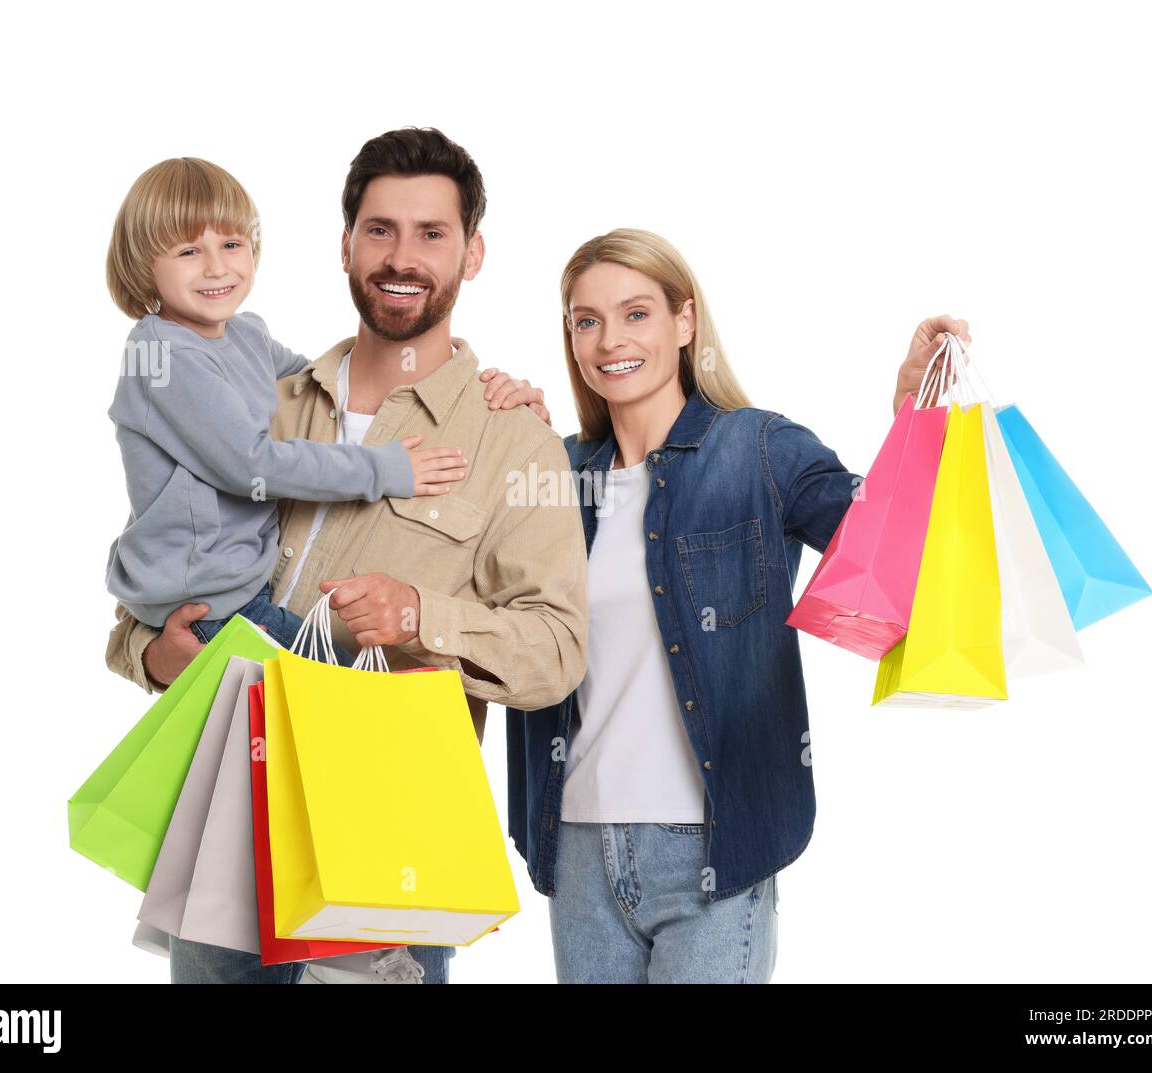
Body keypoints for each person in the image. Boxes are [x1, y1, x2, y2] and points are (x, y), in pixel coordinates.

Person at [107, 128, 588, 985]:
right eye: (380, 229)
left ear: (472, 253)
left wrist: (418, 615)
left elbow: (557, 650)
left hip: (386, 845)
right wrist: (150, 651)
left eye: (432, 233)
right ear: (344, 245)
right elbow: (167, 560)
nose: (402, 256)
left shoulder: (511, 437)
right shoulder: (261, 398)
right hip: (227, 836)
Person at [503, 227, 970, 982]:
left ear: (685, 322)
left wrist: (909, 418)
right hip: (581, 846)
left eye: (636, 314)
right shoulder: (556, 473)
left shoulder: (758, 450)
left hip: (713, 850)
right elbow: (491, 610)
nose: (609, 340)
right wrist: (495, 435)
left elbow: (881, 556)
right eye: (586, 320)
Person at [104, 157, 469, 656]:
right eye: (189, 250)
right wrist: (385, 469)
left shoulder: (245, 333)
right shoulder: (163, 355)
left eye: (231, 244)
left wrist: (463, 381)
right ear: (144, 263)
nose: (216, 267)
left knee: (330, 693)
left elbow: (317, 378)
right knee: (339, 687)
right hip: (210, 601)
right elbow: (251, 463)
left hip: (242, 587)